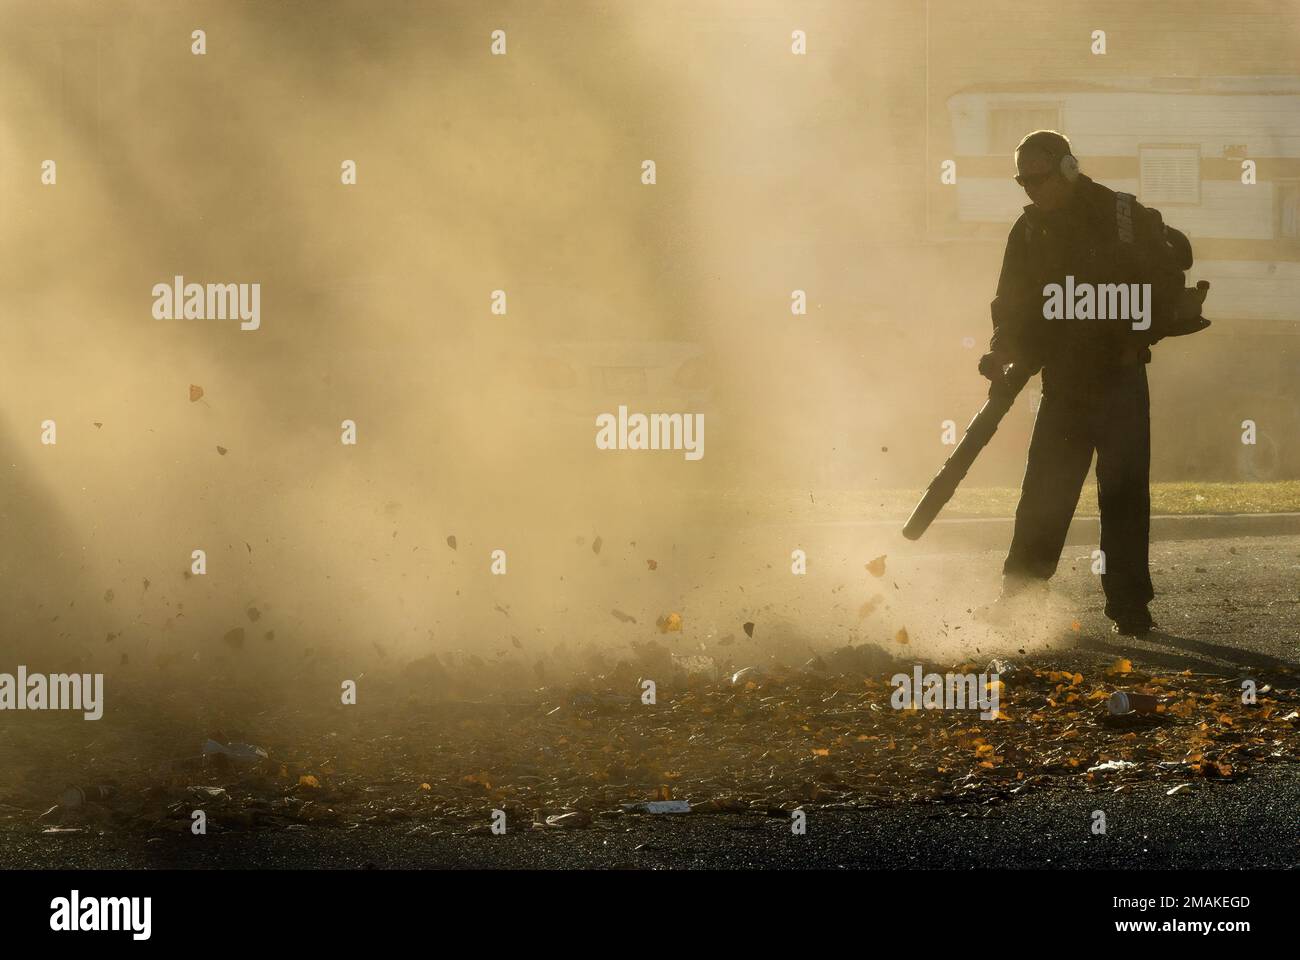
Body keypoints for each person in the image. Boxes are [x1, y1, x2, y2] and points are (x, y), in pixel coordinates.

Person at [977, 130, 1207, 636]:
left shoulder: (1123, 215)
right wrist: (1001, 347)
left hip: (1121, 378)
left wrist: (1142, 329)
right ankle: (1018, 599)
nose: (1030, 189)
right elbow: (1011, 302)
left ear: (1067, 168)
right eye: (1022, 180)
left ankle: (1130, 607)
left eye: (1037, 177)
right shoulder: (1029, 229)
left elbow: (1166, 283)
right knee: (1045, 492)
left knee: (1123, 493)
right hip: (1062, 383)